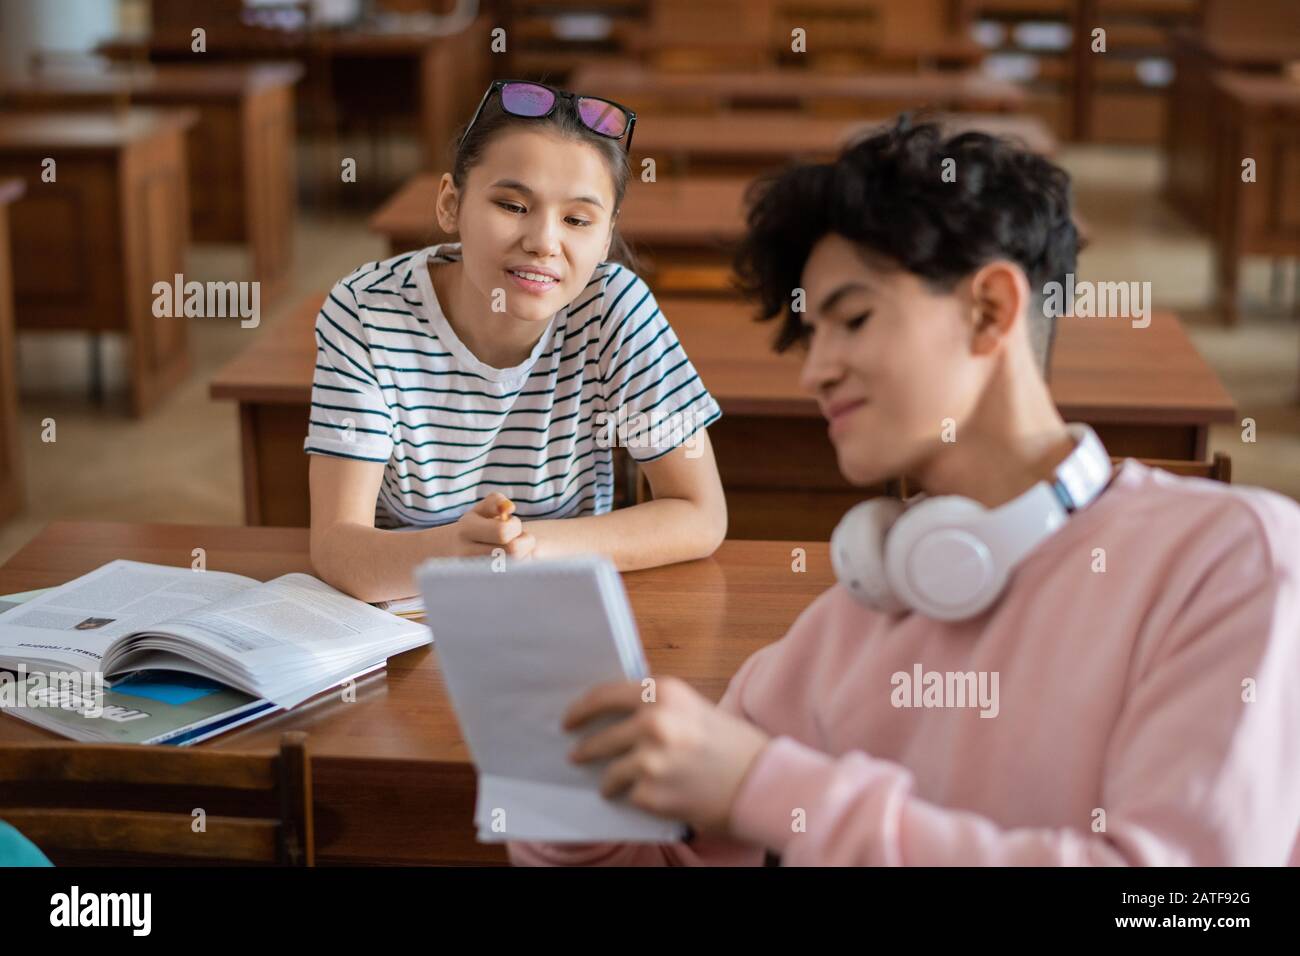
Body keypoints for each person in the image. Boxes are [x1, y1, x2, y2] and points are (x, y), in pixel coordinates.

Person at [510, 119, 1300, 866]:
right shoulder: (847, 626)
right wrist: (570, 804)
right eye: (810, 334)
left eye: (851, 320)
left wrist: (772, 789)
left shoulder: (1228, 557)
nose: (817, 369)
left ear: (990, 309)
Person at [306, 81, 727, 603]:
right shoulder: (366, 311)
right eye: (512, 205)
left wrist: (519, 546)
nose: (544, 242)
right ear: (449, 204)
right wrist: (456, 552)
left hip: (560, 604)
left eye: (577, 220)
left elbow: (700, 515)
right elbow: (334, 545)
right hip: (407, 620)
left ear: (607, 234)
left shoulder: (615, 307)